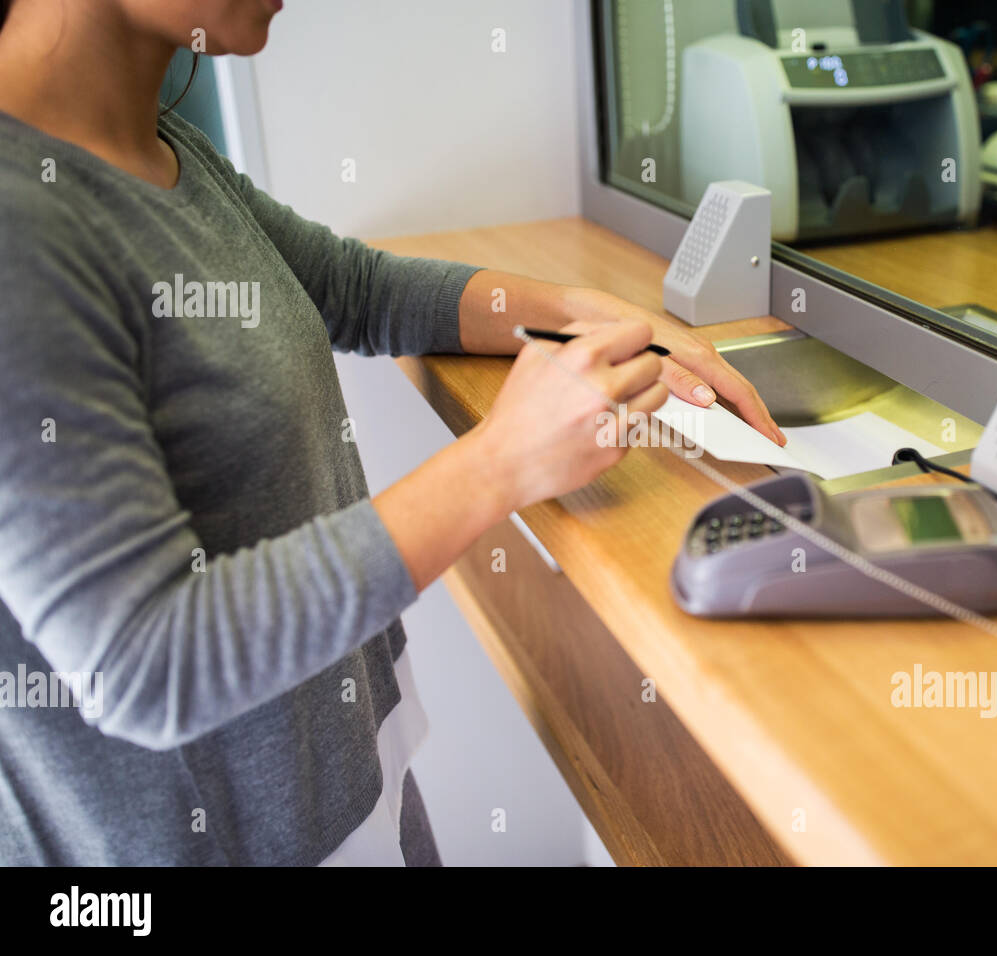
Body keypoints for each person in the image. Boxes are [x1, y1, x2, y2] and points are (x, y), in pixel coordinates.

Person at [0, 0, 785, 865]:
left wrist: (577, 312)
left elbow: (350, 288)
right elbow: (149, 664)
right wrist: (501, 462)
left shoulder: (154, 139)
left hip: (334, 789)